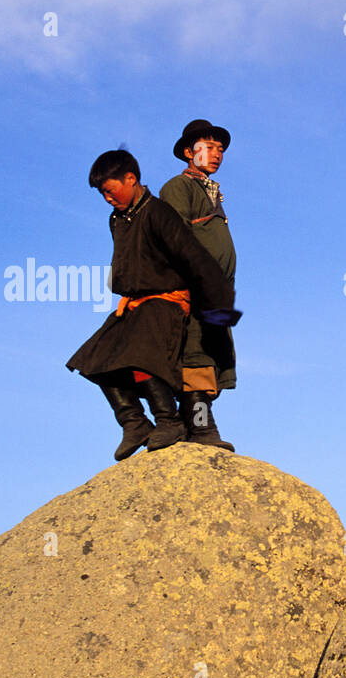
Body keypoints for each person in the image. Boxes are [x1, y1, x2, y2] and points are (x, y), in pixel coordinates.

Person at [67, 149, 239, 461]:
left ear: (130, 179)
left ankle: (177, 424)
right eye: (102, 193)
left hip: (169, 301)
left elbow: (191, 254)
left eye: (110, 190)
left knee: (168, 363)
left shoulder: (159, 211)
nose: (107, 198)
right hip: (135, 304)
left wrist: (216, 301)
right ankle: (134, 423)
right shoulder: (118, 219)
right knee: (95, 359)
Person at [160, 119, 238, 452]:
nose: (216, 153)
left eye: (219, 148)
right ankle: (202, 428)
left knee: (214, 357)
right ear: (189, 152)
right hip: (194, 289)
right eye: (208, 147)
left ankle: (187, 424)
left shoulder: (211, 191)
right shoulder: (180, 187)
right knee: (196, 356)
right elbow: (172, 237)